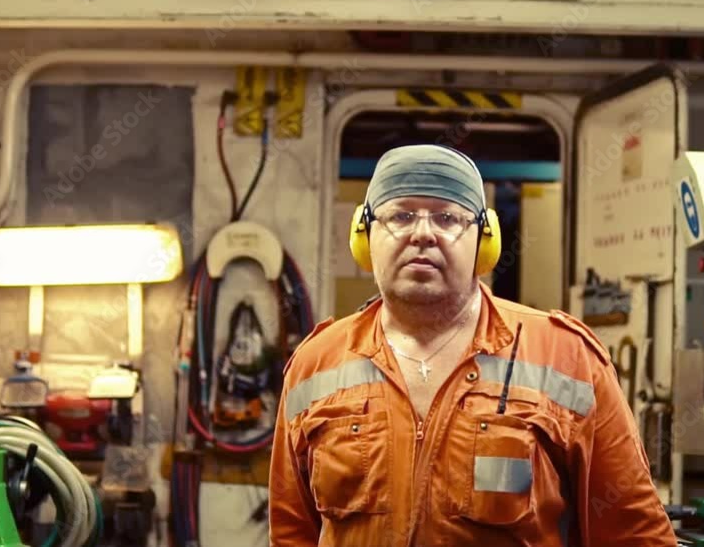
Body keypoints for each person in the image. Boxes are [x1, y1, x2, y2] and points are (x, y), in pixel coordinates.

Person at [269, 144, 677, 546]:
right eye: (400, 215)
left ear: (485, 240)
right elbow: (292, 533)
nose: (423, 234)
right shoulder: (315, 363)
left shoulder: (566, 358)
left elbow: (633, 533)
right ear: (364, 235)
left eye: (447, 218)